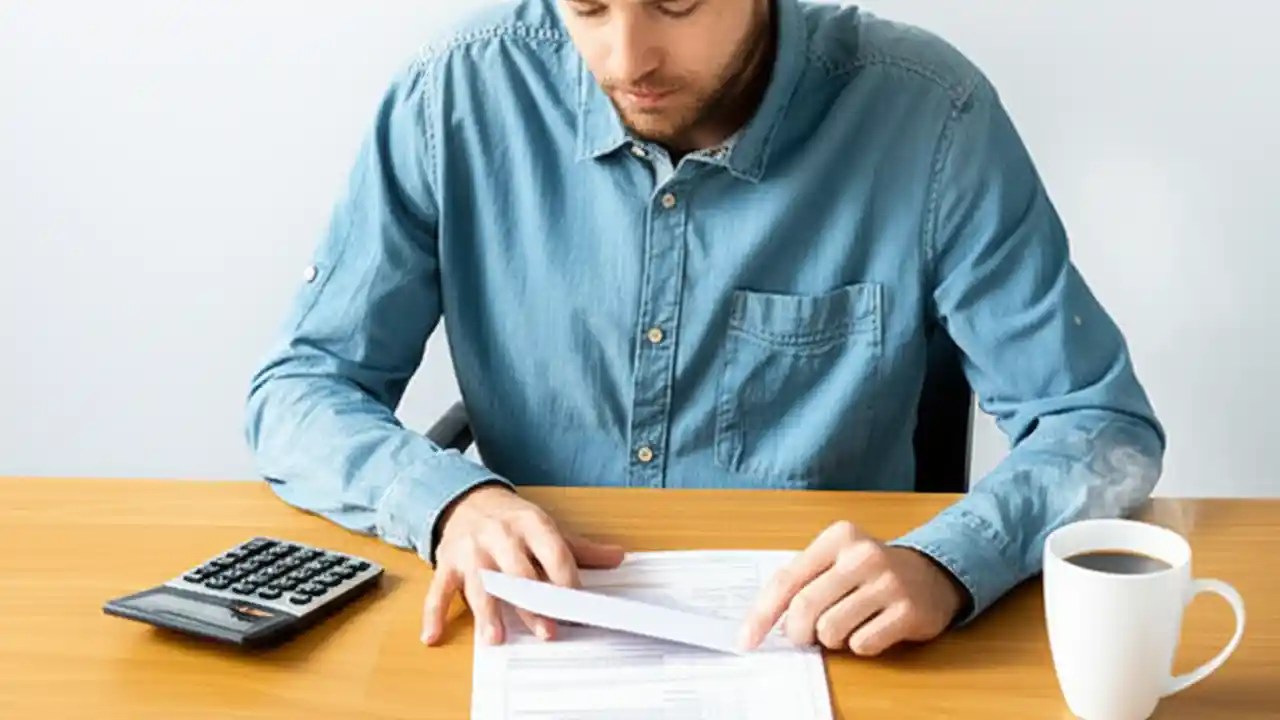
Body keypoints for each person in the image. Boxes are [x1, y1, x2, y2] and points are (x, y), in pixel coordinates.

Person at [244, 0, 1165, 657]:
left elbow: (1097, 426)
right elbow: (298, 391)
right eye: (589, 6)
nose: (624, 58)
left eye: (675, 4)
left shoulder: (929, 117)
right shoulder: (453, 96)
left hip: (827, 654)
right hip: (530, 635)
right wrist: (448, 501)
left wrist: (949, 561)